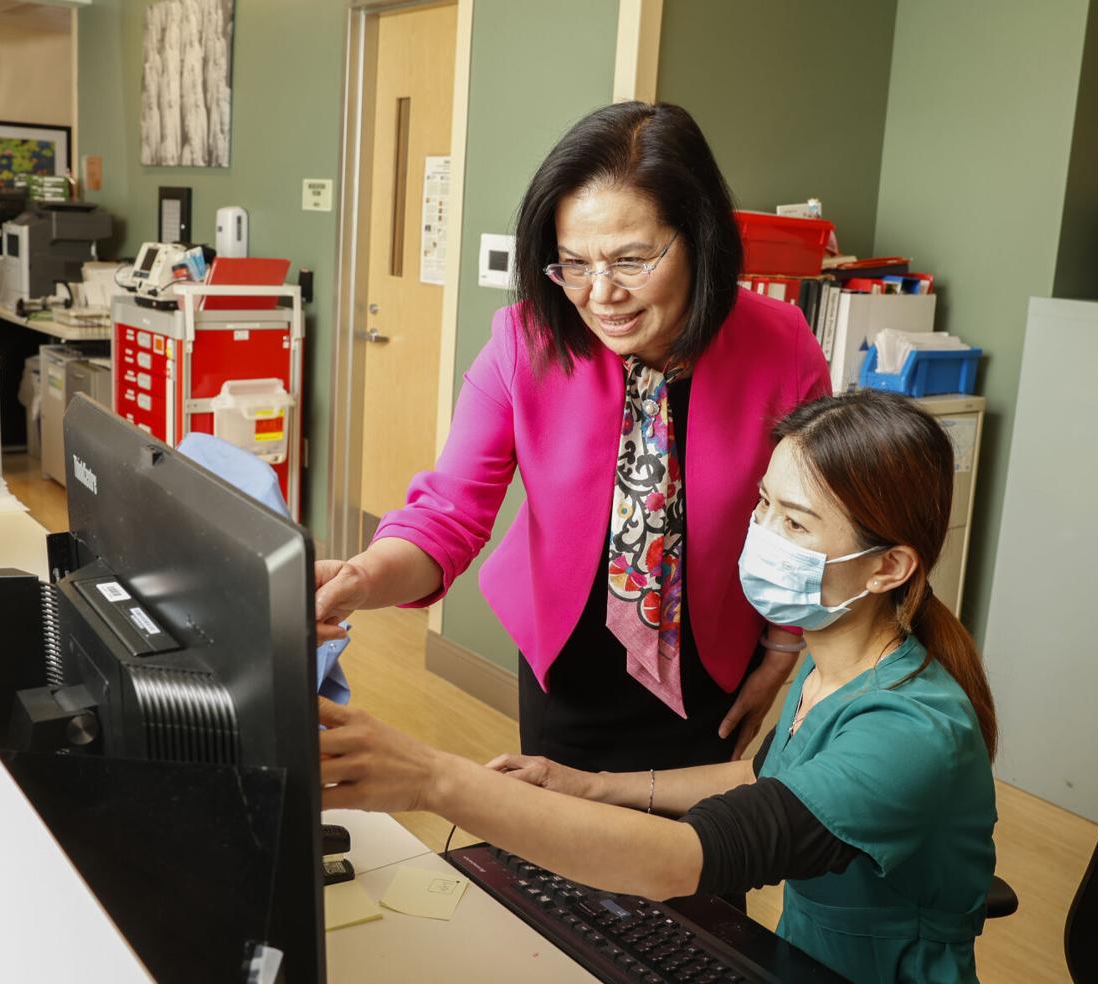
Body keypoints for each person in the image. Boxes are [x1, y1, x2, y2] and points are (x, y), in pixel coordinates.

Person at [321, 390, 999, 983]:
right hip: (795, 959)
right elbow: (769, 780)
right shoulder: (837, 667)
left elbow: (682, 860)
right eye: (764, 504)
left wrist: (432, 779)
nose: (762, 534)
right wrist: (590, 786)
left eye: (795, 523)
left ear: (888, 567)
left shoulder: (908, 731)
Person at [315, 102, 830, 773]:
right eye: (574, 264)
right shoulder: (523, 343)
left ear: (700, 239)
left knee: (697, 838)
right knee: (556, 834)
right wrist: (361, 578)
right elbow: (447, 515)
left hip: (714, 666)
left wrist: (786, 650)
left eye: (631, 260)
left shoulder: (780, 345)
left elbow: (813, 525)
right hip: (566, 667)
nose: (600, 294)